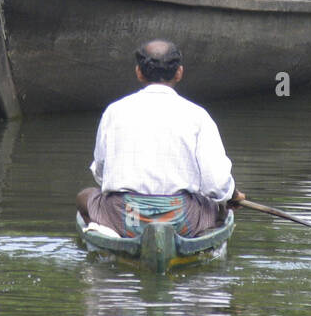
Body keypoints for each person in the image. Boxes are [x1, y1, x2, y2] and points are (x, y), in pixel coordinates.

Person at [77, 40, 245, 238]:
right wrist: (232, 196)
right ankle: (198, 240)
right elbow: (216, 184)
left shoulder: (114, 111)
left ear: (138, 72)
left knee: (85, 197)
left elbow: (102, 171)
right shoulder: (198, 116)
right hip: (181, 218)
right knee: (219, 208)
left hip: (126, 216)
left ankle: (110, 234)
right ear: (179, 72)